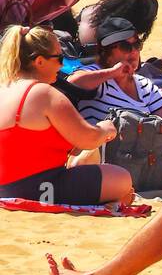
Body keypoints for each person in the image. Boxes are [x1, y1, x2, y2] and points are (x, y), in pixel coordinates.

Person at [0, 25, 132, 206]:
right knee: (122, 178)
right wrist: (106, 129)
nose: (62, 65)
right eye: (59, 58)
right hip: (40, 187)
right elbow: (88, 138)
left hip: (5, 186)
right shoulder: (44, 94)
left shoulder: (4, 89)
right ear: (39, 62)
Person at [65, 17, 162, 133]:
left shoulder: (144, 85)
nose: (133, 51)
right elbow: (72, 82)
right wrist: (112, 72)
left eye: (137, 45)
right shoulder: (99, 77)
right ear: (105, 52)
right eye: (125, 46)